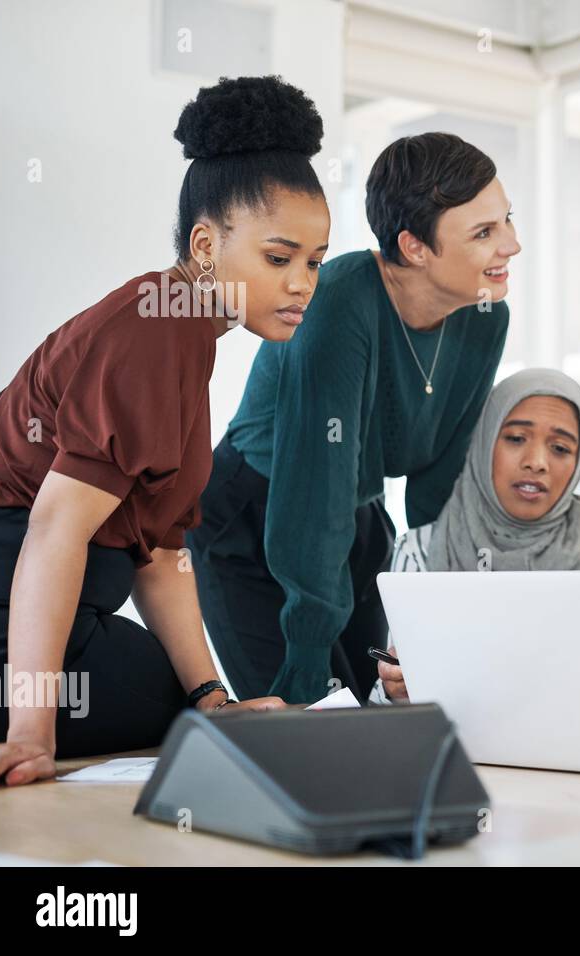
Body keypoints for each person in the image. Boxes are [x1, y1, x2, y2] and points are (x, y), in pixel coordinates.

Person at [0, 74, 326, 784]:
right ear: (205, 245)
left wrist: (211, 698)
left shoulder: (185, 333)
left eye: (314, 262)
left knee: (175, 704)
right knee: (151, 700)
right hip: (5, 596)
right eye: (279, 257)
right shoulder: (153, 327)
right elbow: (54, 529)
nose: (302, 283)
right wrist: (31, 732)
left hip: (57, 604)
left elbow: (163, 556)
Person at [189, 132, 521, 705]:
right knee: (305, 717)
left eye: (507, 220)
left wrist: (438, 618)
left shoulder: (486, 315)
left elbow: (439, 486)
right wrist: (305, 667)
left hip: (353, 513)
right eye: (484, 232)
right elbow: (313, 490)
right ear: (414, 247)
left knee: (374, 708)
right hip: (254, 515)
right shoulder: (338, 304)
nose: (512, 245)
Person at [371, 369, 580, 703]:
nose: (537, 462)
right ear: (484, 441)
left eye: (560, 448)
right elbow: (391, 694)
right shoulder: (419, 550)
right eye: (516, 438)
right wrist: (393, 690)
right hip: (443, 736)